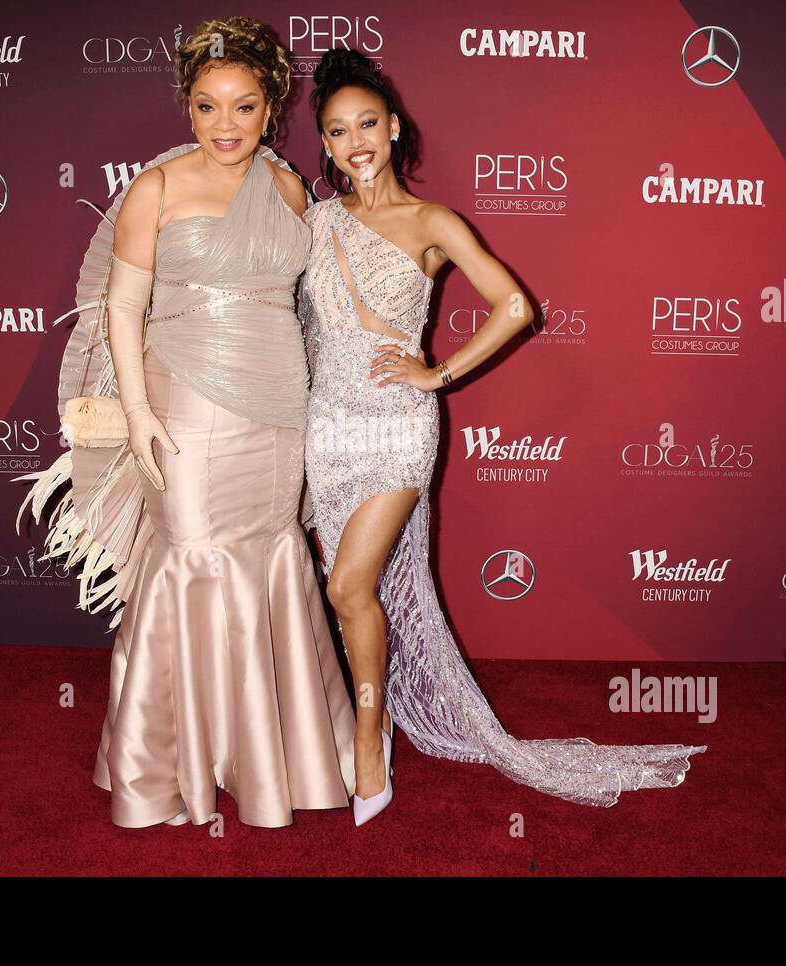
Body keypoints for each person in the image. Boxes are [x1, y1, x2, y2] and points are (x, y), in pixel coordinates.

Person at [296, 49, 707, 825]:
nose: (355, 142)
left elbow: (515, 306)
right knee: (352, 593)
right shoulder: (313, 223)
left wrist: (438, 374)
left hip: (396, 430)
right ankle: (372, 715)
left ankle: (368, 741)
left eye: (367, 125)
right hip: (327, 429)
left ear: (393, 128)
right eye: (337, 130)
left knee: (350, 586)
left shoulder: (432, 221)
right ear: (325, 141)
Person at [16, 18, 357, 828]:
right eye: (207, 107)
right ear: (188, 109)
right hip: (187, 409)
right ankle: (177, 767)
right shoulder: (157, 188)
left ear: (273, 105)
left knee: (273, 562)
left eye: (243, 106)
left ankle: (275, 760)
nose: (225, 125)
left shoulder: (287, 189)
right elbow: (121, 305)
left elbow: (307, 304)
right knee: (194, 560)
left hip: (280, 407)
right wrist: (137, 415)